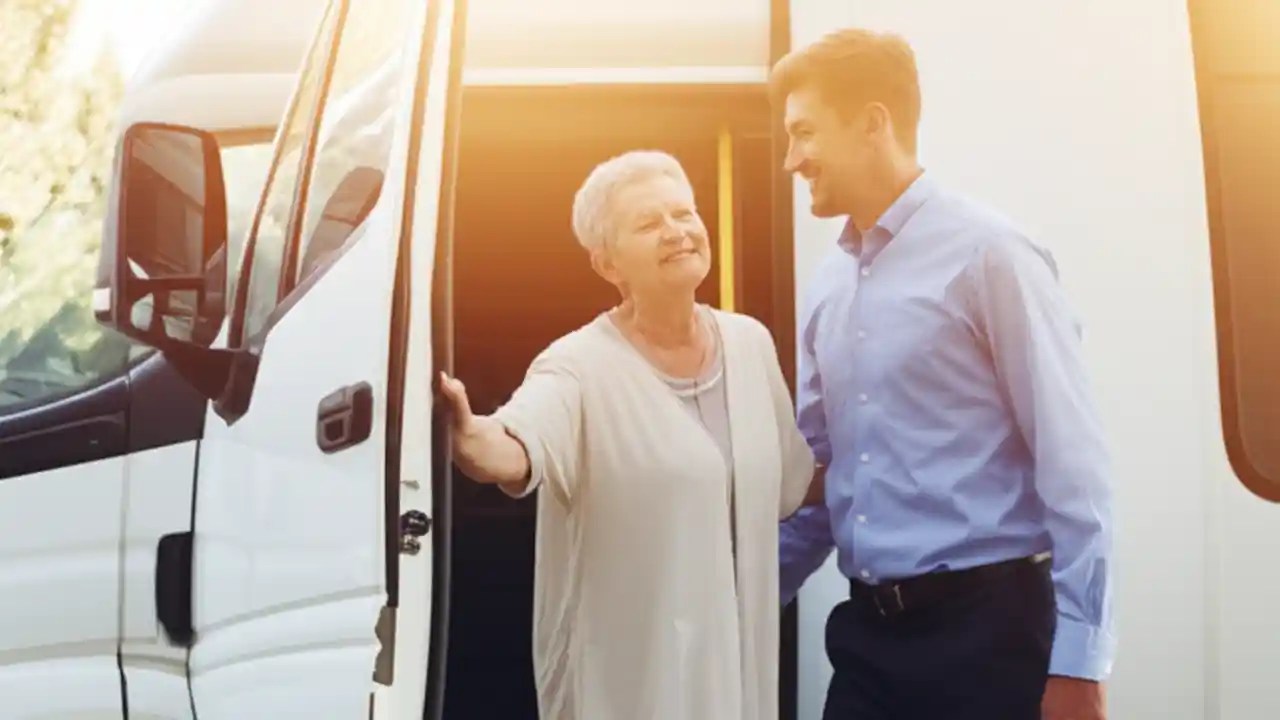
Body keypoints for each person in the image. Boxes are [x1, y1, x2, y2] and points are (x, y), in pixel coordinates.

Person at [772, 28, 1115, 720]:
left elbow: (1075, 466)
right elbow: (818, 481)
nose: (790, 160)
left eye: (804, 133)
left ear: (872, 122)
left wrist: (1080, 662)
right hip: (868, 643)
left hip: (989, 639)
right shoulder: (829, 287)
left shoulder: (990, 256)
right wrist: (733, 601)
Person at [437, 149, 820, 720]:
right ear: (608, 265)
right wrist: (468, 437)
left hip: (737, 683)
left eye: (684, 213)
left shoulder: (750, 344)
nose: (677, 232)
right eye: (649, 223)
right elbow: (516, 445)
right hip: (630, 687)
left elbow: (792, 485)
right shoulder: (577, 365)